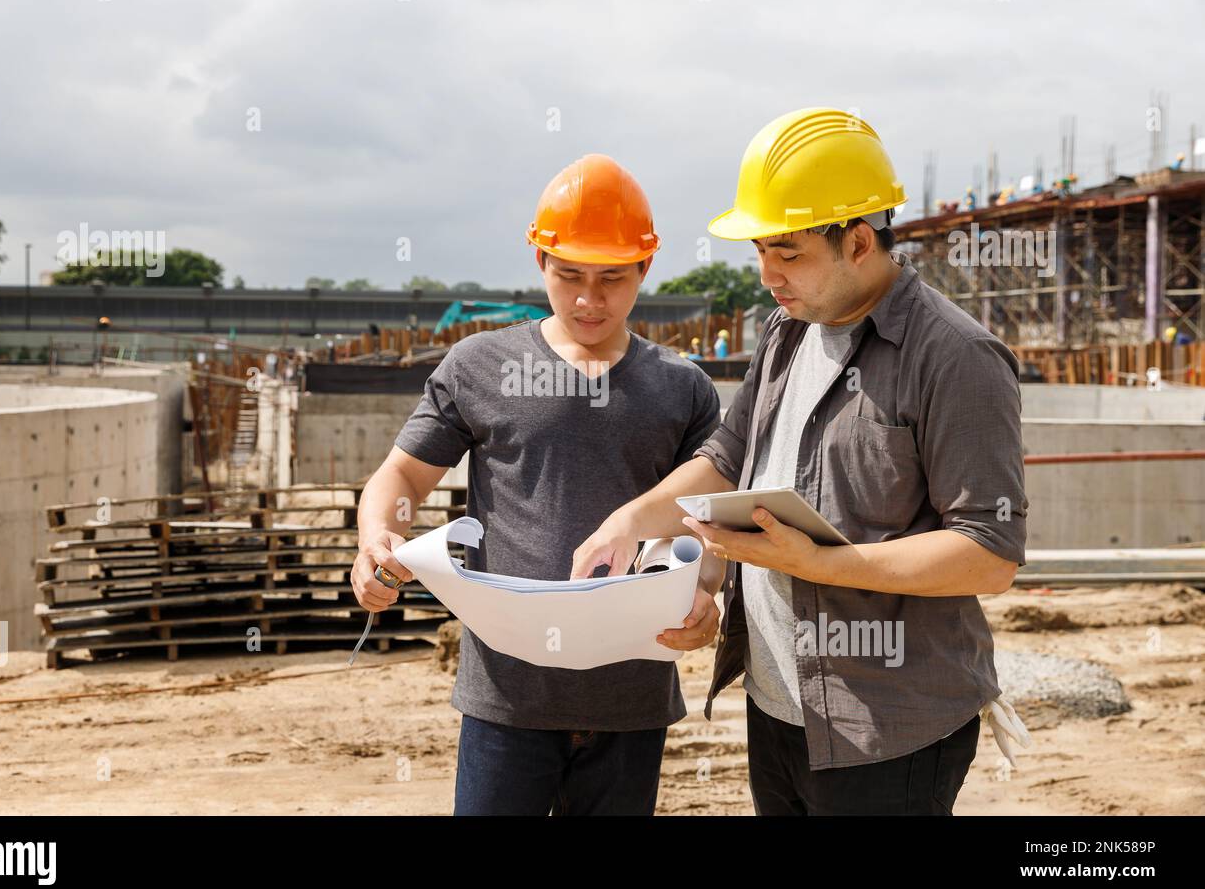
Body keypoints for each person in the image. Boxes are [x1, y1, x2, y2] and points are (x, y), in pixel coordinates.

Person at [571, 108, 1029, 815]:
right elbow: (727, 461)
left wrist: (816, 564)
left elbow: (989, 554)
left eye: (788, 253)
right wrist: (629, 522)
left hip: (890, 725)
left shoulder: (955, 358)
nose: (767, 275)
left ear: (858, 242)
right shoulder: (789, 331)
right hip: (780, 706)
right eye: (760, 251)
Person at [353, 154, 724, 815]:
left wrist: (703, 592)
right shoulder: (480, 366)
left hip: (629, 698)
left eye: (612, 278)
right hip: (507, 698)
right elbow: (403, 473)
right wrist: (379, 537)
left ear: (645, 268)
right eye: (569, 276)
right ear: (540, 265)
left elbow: (707, 520)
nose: (589, 299)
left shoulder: (682, 387)